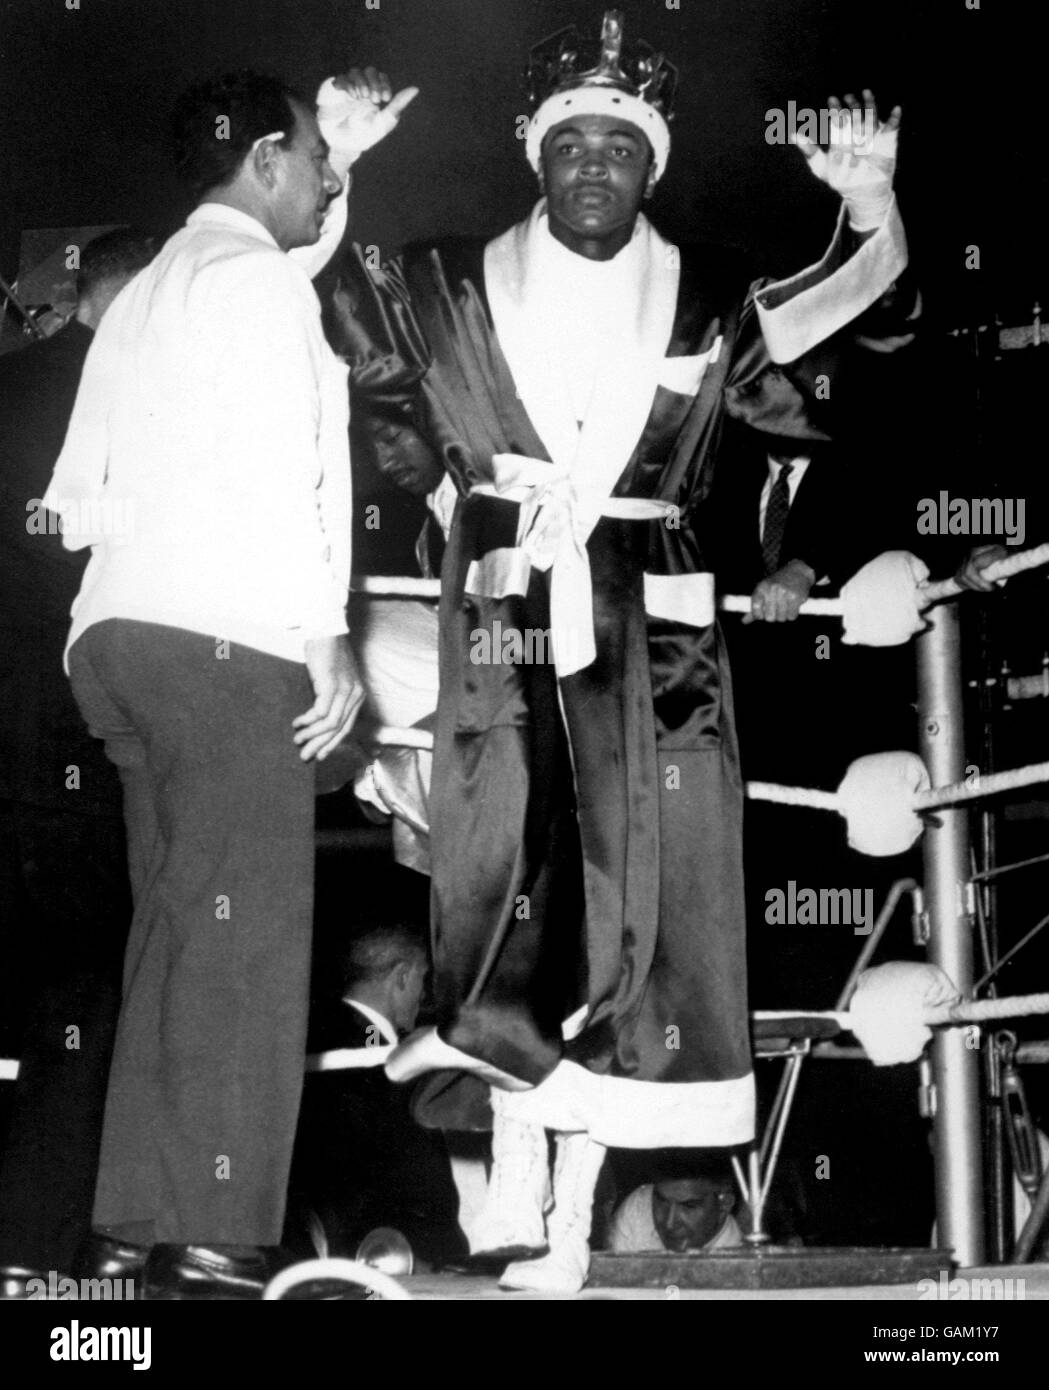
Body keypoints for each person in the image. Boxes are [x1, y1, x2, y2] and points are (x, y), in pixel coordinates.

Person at [329, 10, 918, 1292]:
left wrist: (869, 211)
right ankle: (518, 1181)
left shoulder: (710, 293)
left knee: (639, 924)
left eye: (620, 147)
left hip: (652, 638)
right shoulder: (438, 282)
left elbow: (850, 355)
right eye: (572, 143)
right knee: (506, 906)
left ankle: (569, 1226)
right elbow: (346, 358)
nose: (594, 166)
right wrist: (335, 171)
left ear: (650, 167)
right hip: (499, 622)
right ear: (536, 157)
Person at [41, 66, 415, 1300]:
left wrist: (342, 162)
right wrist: (322, 630)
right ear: (264, 160)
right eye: (312, 158)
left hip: (116, 643)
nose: (323, 181)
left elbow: (73, 489)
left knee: (171, 939)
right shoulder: (252, 283)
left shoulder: (152, 289)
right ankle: (209, 1241)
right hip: (223, 643)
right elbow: (284, 460)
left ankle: (125, 1231)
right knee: (244, 946)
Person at [0, 230, 158, 1294]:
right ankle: (42, 1257)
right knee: (88, 991)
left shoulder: (13, 388)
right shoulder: (138, 406)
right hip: (75, 737)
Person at [286, 923, 463, 1266]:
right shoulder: (387, 1064)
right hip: (385, 1260)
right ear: (402, 976)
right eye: (422, 982)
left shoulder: (305, 1037)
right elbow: (425, 1191)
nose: (422, 998)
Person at [607, 1155, 741, 1254]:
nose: (669, 1223)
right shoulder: (638, 1207)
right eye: (662, 1201)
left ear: (724, 1205)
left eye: (689, 1206)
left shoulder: (737, 1256)